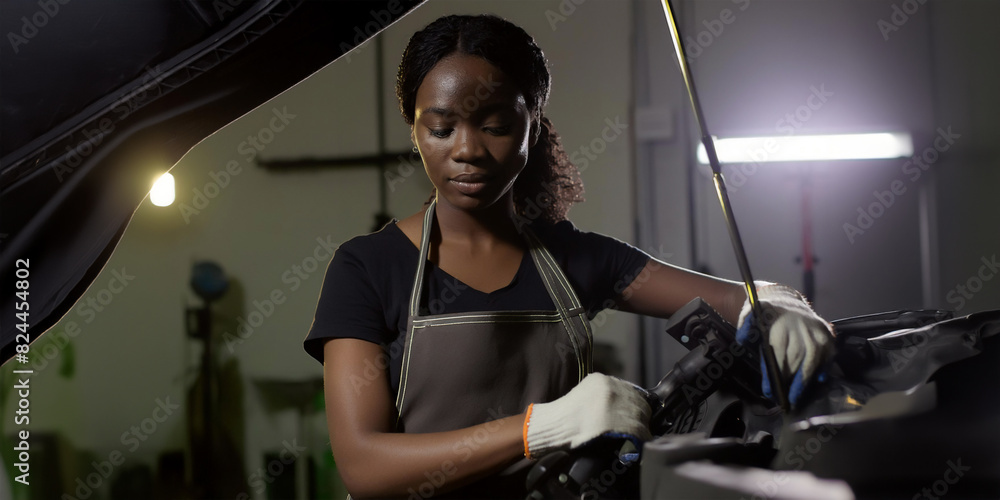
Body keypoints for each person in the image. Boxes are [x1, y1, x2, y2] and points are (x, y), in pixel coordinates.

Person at [303, 13, 834, 499]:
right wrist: (540, 428)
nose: (466, 150)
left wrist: (780, 304)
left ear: (533, 124)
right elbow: (364, 467)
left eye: (495, 126)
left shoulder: (573, 259)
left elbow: (741, 300)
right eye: (440, 129)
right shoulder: (367, 268)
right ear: (414, 130)